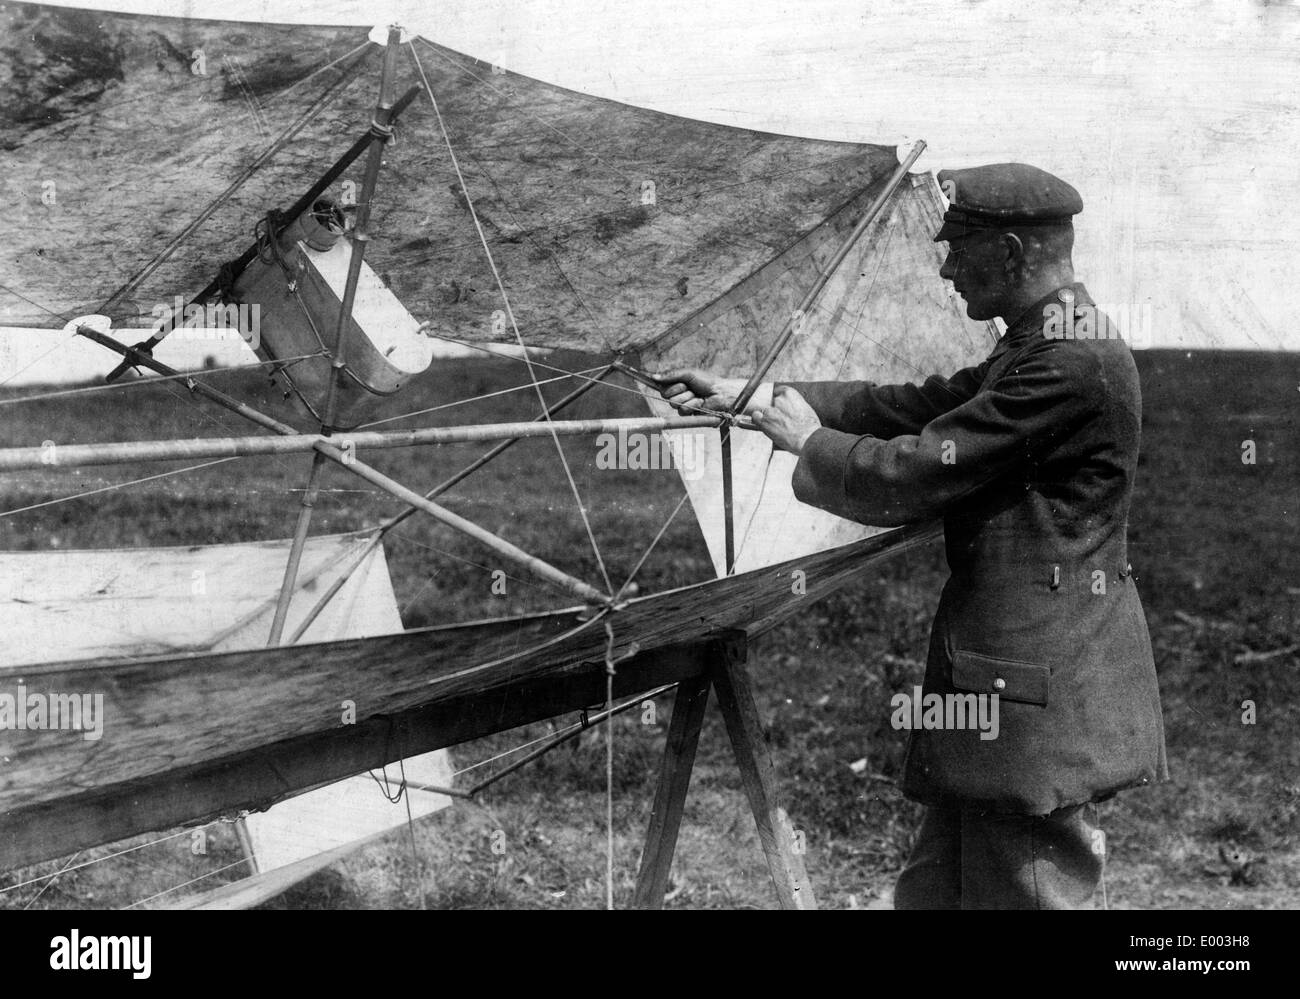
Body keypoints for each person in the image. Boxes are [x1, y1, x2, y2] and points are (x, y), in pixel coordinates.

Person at [657, 162, 1168, 910]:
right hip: (1011, 678)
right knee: (938, 889)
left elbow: (918, 469)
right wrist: (758, 394)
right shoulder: (1047, 338)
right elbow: (913, 404)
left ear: (1014, 252)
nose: (948, 268)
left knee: (1018, 888)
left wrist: (807, 443)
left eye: (959, 247)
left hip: (1033, 692)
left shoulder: (1068, 360)